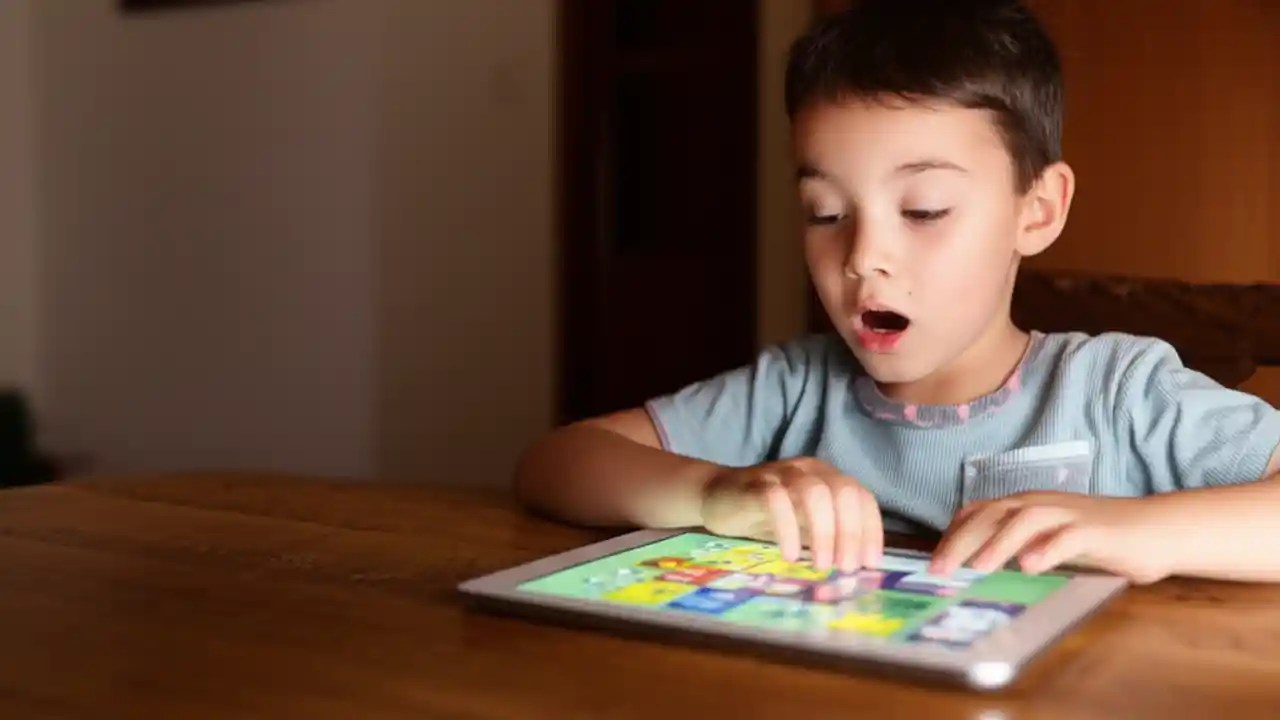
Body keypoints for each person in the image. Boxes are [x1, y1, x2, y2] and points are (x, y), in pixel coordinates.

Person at [515, 0, 1280, 585]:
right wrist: (712, 491)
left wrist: (1145, 532)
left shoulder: (1118, 392)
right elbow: (559, 461)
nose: (862, 257)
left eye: (923, 211)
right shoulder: (793, 393)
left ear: (1036, 210)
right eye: (826, 213)